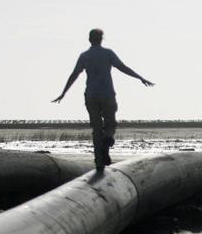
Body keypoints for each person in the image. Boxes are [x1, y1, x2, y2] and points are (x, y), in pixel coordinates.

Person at [52, 28, 154, 172]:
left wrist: (63, 93)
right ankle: (107, 139)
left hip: (91, 95)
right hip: (107, 94)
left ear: (89, 39)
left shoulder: (85, 56)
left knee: (96, 128)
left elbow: (75, 74)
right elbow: (123, 68)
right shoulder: (108, 53)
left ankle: (99, 161)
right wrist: (140, 78)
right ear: (101, 39)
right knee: (110, 123)